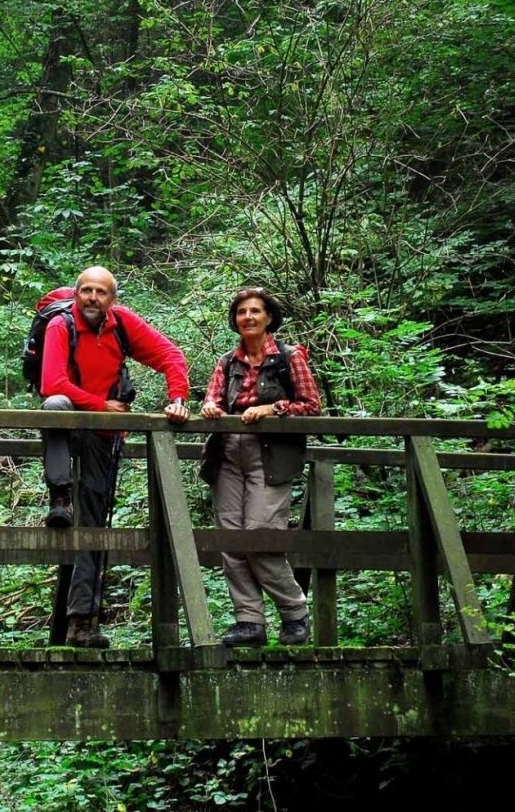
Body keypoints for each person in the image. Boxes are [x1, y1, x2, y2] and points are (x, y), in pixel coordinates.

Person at [39, 265, 191, 648]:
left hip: (104, 434)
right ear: (76, 294)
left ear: (112, 299)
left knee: (95, 524)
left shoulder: (121, 324)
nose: (92, 298)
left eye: (100, 292)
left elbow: (171, 355)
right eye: (86, 290)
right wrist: (100, 405)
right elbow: (52, 383)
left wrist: (177, 399)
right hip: (71, 420)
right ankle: (58, 495)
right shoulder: (61, 325)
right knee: (55, 404)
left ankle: (81, 623)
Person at [199, 287, 321, 647]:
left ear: (269, 317)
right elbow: (213, 397)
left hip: (270, 454)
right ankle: (249, 621)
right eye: (241, 312)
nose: (248, 317)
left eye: (255, 311)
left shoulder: (289, 356)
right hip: (227, 454)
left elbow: (311, 405)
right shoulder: (227, 362)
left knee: (260, 538)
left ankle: (294, 612)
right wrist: (210, 408)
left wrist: (273, 409)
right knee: (231, 541)